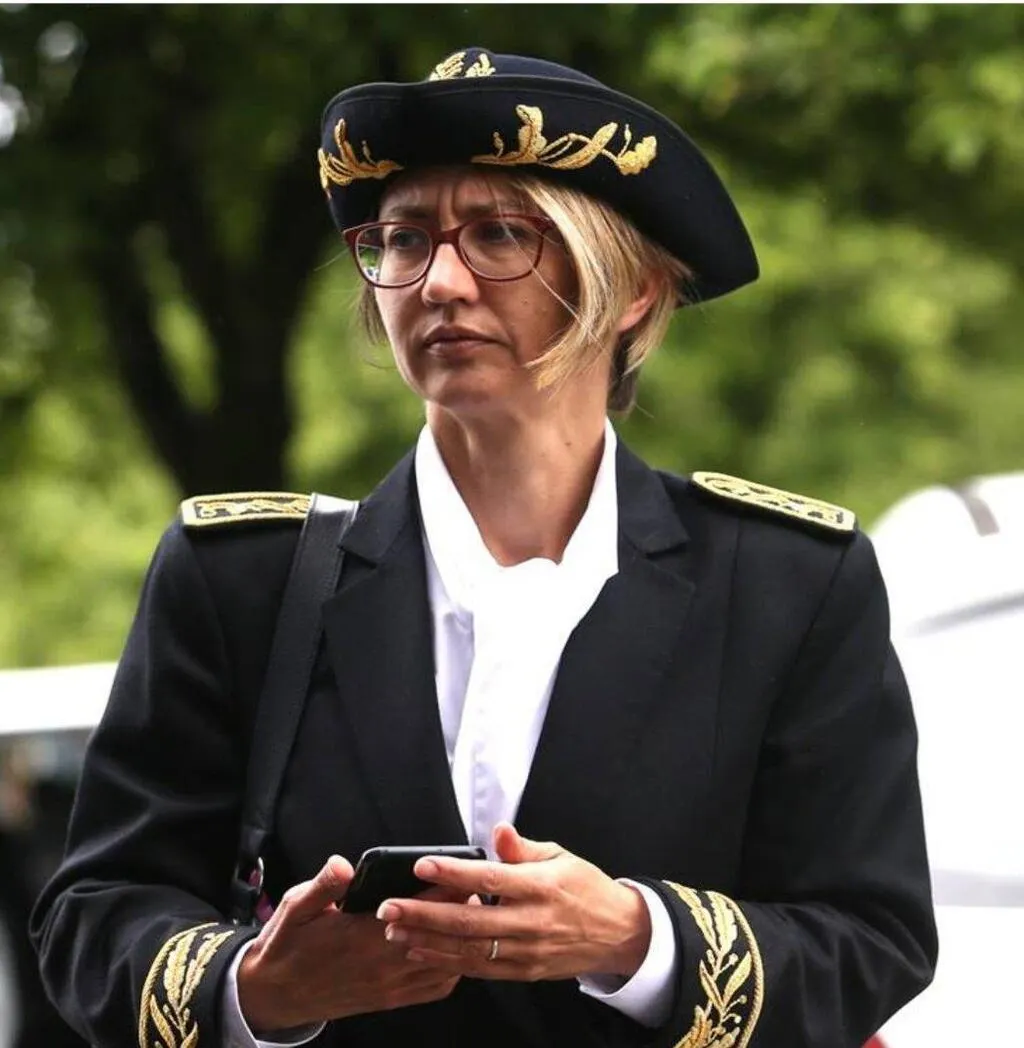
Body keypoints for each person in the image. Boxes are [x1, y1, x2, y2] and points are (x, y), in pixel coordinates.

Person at [31, 47, 937, 1048]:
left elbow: (871, 936)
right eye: (402, 239)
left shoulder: (787, 582)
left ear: (631, 288)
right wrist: (255, 989)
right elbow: (94, 913)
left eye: (501, 234)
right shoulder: (238, 577)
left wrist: (637, 939)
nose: (440, 281)